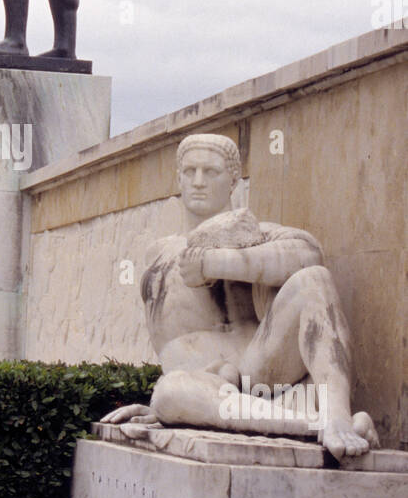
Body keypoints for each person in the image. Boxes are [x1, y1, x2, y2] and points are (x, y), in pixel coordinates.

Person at [102, 133, 378, 461]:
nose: (199, 181)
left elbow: (309, 255)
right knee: (170, 392)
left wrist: (215, 262)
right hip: (201, 390)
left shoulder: (253, 234)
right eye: (189, 172)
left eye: (211, 172)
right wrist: (170, 410)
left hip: (260, 372)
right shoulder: (157, 255)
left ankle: (336, 416)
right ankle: (315, 425)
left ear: (233, 181)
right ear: (178, 179)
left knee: (313, 281)